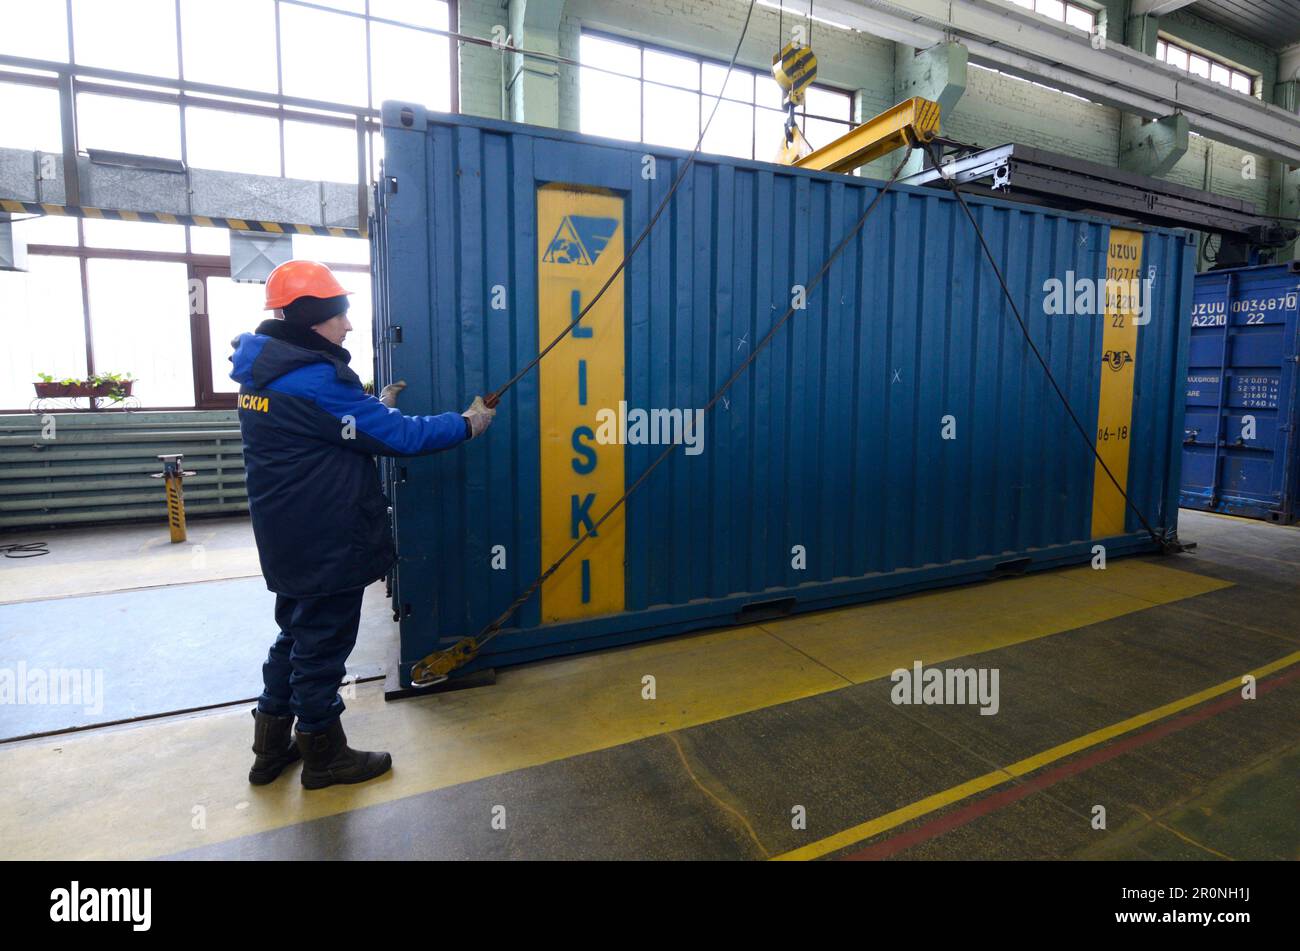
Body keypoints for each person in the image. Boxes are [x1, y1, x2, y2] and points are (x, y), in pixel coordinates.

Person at [229, 259, 495, 790]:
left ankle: (270, 749)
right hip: (327, 538)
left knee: (295, 637)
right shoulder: (313, 380)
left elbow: (322, 431)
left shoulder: (265, 373)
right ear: (310, 319)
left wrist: (368, 407)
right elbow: (402, 438)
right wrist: (467, 424)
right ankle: (326, 757)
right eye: (339, 316)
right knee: (322, 650)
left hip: (288, 537)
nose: (347, 326)